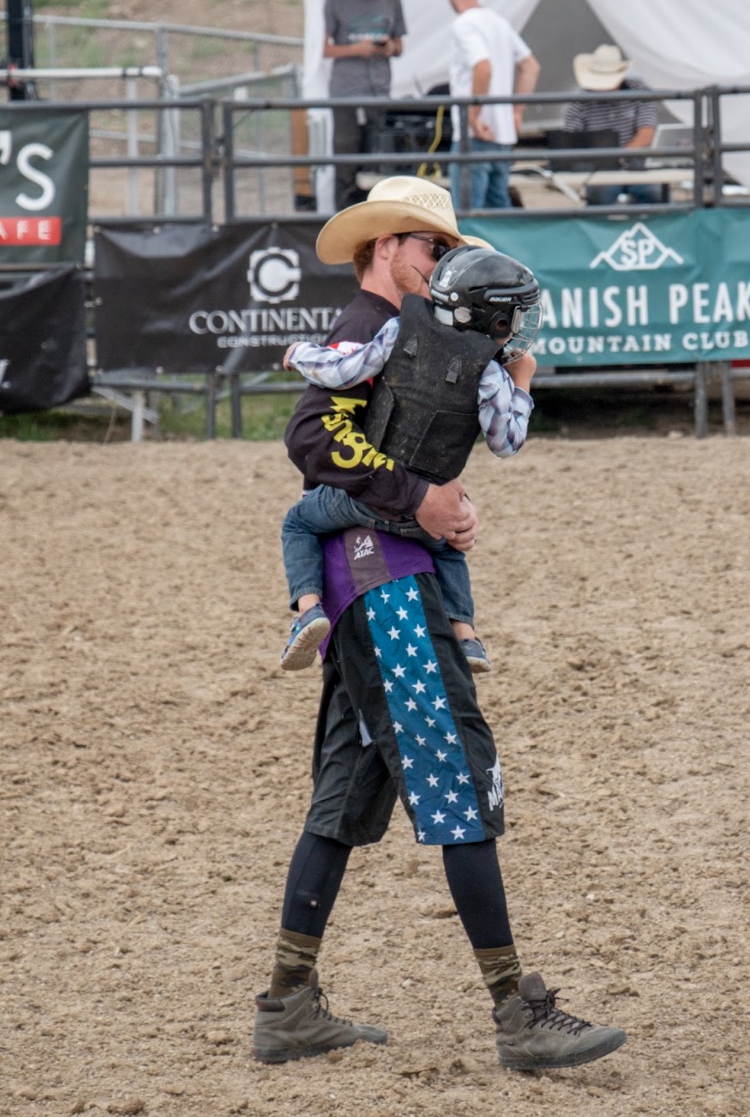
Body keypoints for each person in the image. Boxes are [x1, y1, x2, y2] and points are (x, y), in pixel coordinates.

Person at [252, 174, 628, 1072]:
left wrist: (433, 500)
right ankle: (516, 1012)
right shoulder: (367, 326)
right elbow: (311, 436)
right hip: (384, 581)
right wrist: (417, 497)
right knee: (454, 769)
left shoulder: (416, 332)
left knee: (346, 794)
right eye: (432, 245)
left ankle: (290, 1004)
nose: (442, 260)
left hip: (368, 579)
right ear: (386, 245)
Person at [278, 245, 541, 676]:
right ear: (495, 322)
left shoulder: (398, 329)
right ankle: (466, 635)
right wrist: (523, 383)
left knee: (298, 523)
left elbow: (344, 370)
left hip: (368, 498)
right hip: (429, 514)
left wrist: (299, 354)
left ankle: (308, 611)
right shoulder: (490, 372)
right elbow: (506, 441)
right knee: (452, 551)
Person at [441, 0, 540, 211]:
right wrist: (516, 112)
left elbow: (483, 67)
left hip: (475, 136)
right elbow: (530, 66)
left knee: (467, 215)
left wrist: (473, 118)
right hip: (502, 137)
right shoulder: (498, 22)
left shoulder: (463, 24)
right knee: (499, 213)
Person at [324, 0, 407, 209]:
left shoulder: (392, 0)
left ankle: (377, 209)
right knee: (345, 151)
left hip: (379, 89)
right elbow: (323, 48)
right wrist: (355, 50)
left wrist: (390, 47)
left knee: (378, 155)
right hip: (346, 90)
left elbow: (400, 45)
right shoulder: (337, 0)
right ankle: (342, 209)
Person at [563, 43, 661, 207]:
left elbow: (646, 133)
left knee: (654, 193)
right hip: (600, 166)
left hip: (636, 162)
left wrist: (618, 156)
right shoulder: (579, 102)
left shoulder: (640, 92)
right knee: (602, 193)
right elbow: (570, 139)